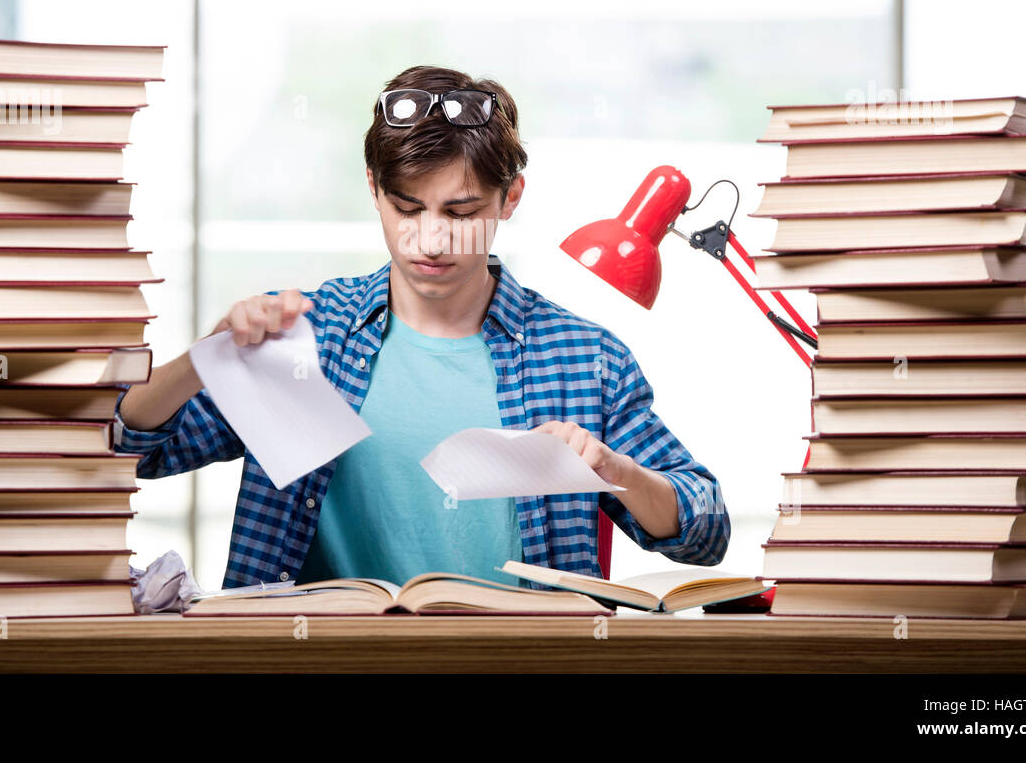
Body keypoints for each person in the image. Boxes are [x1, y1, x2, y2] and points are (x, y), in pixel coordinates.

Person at [114, 65, 730, 591]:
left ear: (509, 197)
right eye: (407, 208)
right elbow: (127, 451)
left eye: (460, 211)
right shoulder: (304, 336)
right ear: (373, 190)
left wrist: (618, 473)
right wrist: (207, 357)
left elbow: (705, 529)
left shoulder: (583, 356)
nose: (431, 239)